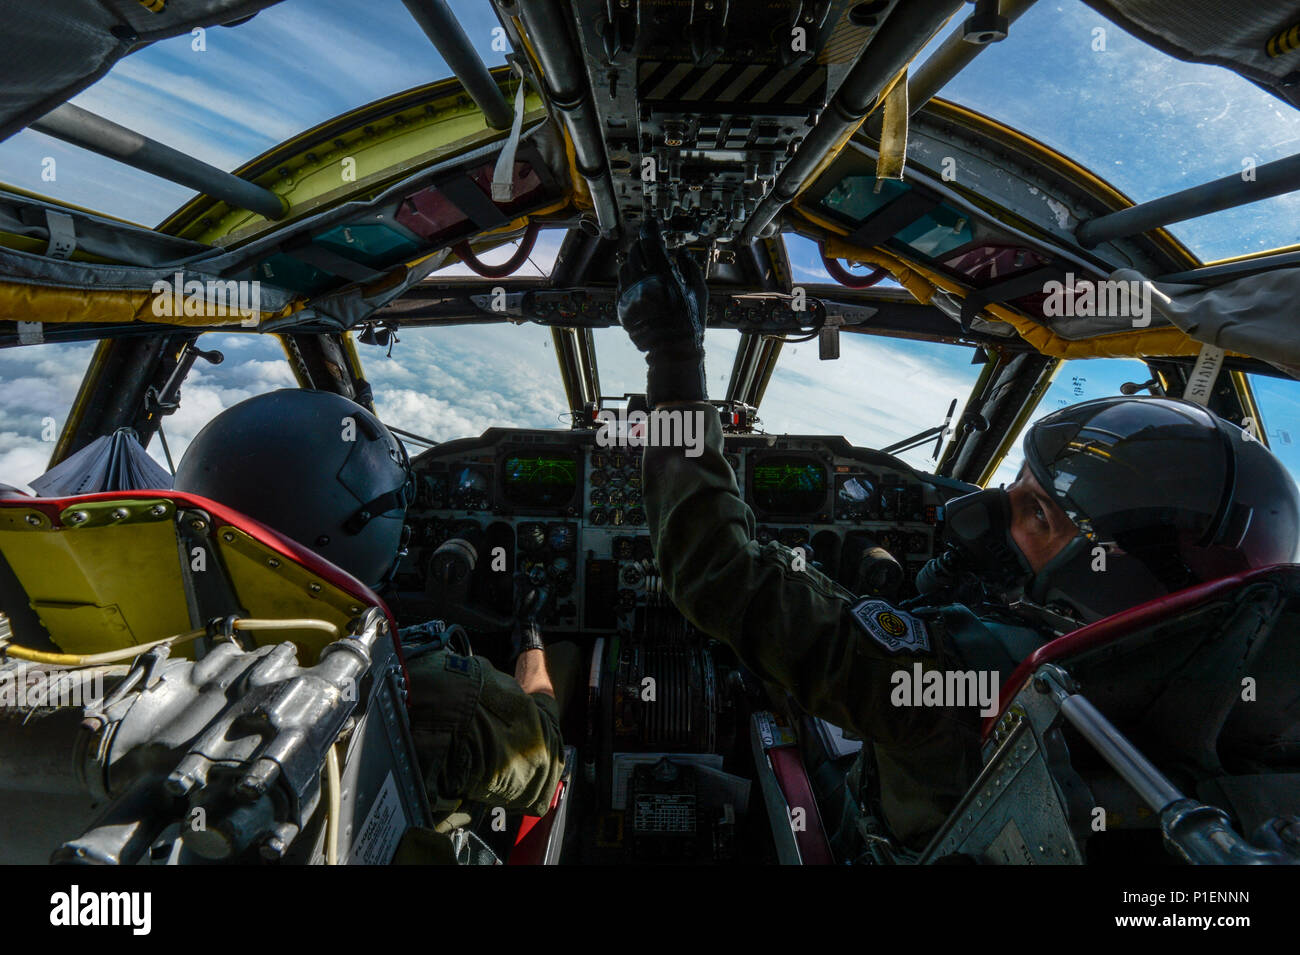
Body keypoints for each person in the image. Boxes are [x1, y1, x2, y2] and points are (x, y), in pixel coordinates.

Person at [616, 221, 1300, 853]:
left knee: (770, 700)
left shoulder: (968, 682)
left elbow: (714, 566)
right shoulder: (1241, 722)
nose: (991, 508)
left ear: (1106, 572)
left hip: (874, 837)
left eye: (1037, 512)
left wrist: (674, 357)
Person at [173, 388, 570, 860]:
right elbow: (547, 770)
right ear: (365, 532)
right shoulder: (440, 689)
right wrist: (530, 632)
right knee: (570, 661)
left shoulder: (157, 639)